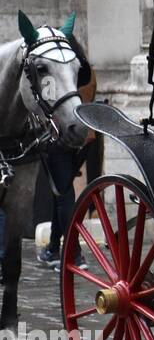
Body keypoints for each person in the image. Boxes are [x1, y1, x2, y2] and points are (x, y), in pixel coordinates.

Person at [35, 56, 95, 273]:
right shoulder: (81, 68)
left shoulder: (55, 71)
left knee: (64, 194)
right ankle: (52, 248)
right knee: (60, 193)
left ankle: (74, 253)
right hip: (84, 134)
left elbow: (48, 101)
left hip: (62, 135)